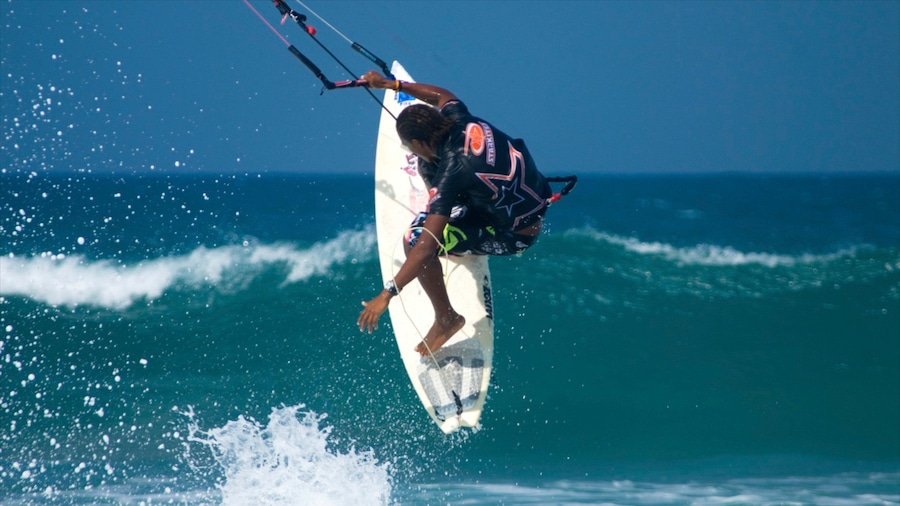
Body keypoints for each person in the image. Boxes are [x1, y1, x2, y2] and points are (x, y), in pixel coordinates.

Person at [356, 70, 552, 357]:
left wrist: (387, 294)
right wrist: (391, 84)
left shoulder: (452, 171)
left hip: (513, 235)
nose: (409, 150)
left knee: (415, 237)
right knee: (427, 165)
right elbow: (442, 95)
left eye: (408, 146)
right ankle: (450, 219)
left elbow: (425, 247)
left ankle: (447, 318)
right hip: (525, 201)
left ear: (419, 142)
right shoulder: (461, 120)